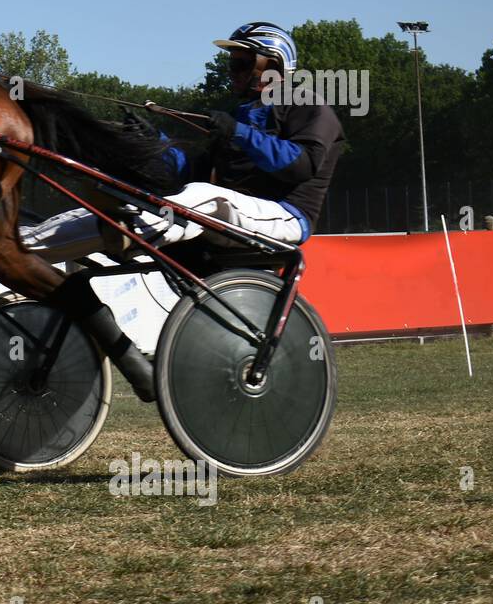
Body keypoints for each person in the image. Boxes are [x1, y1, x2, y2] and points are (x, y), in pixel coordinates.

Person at [21, 21, 345, 399]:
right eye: (232, 64)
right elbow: (187, 170)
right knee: (123, 208)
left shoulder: (308, 106)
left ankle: (133, 234)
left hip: (285, 217)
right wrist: (153, 141)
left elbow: (301, 164)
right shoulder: (241, 116)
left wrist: (239, 134)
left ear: (272, 64)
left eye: (242, 63)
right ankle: (22, 245)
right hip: (221, 215)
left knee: (202, 196)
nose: (232, 72)